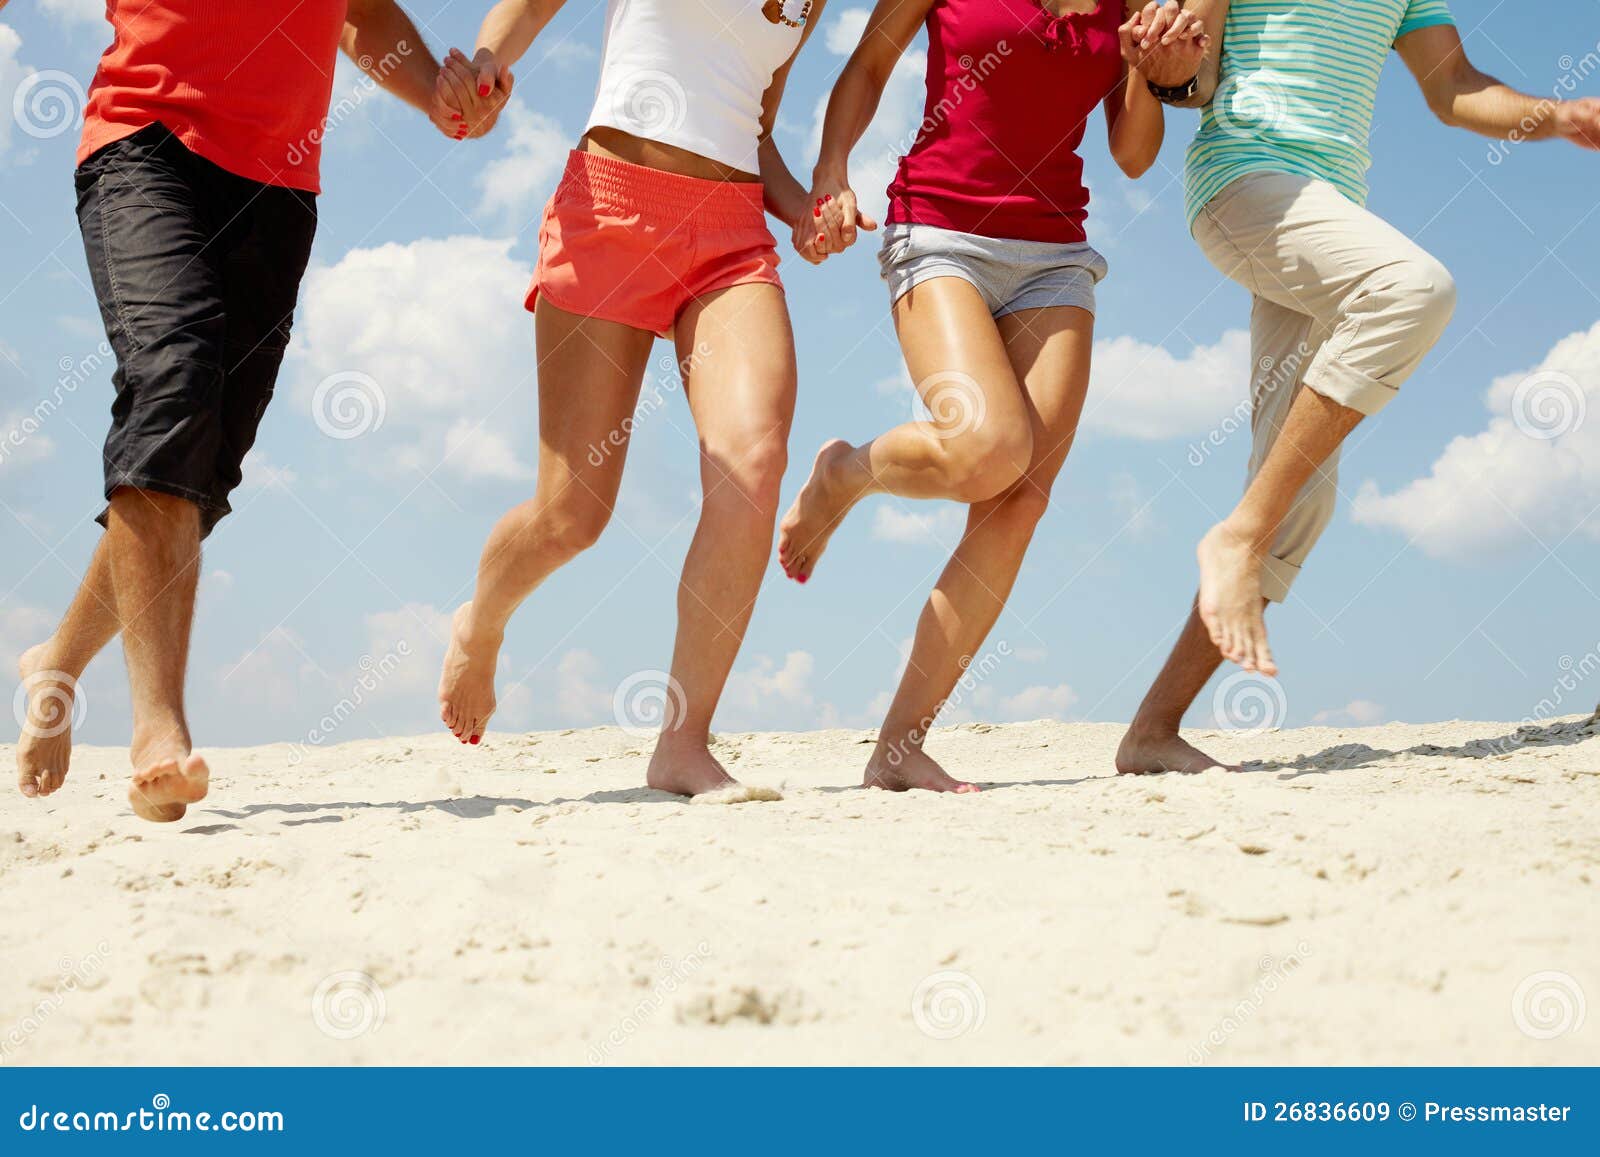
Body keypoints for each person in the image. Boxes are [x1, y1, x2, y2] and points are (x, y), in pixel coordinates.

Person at [14, 1, 503, 820]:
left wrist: (437, 96)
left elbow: (363, 14)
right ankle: (158, 728)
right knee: (175, 379)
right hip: (145, 139)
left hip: (279, 182)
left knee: (198, 469)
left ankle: (54, 663)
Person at [1116, 0, 1600, 774]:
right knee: (1412, 289)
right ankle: (1237, 537)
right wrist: (1168, 76)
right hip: (1245, 182)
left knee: (1297, 485)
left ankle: (1150, 732)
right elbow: (1194, 77)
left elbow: (1454, 89)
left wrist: (1559, 113)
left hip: (1327, 211)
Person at [776, 0, 1206, 792]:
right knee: (987, 447)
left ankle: (900, 746)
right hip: (938, 228)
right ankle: (846, 474)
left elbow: (1134, 155)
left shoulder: (1130, 8)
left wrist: (1154, 73)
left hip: (1053, 252)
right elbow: (867, 64)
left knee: (1020, 496)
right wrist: (832, 169)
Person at [434, 0, 829, 800]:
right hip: (609, 210)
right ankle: (481, 620)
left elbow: (754, 125)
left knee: (754, 460)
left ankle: (683, 742)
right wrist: (486, 59)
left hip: (728, 236)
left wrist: (801, 208)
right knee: (570, 516)